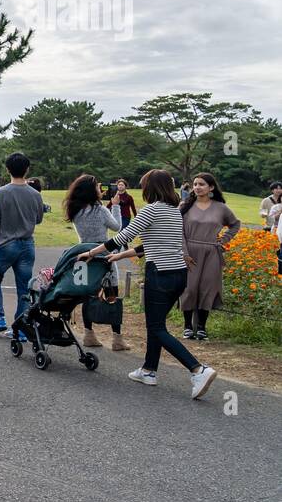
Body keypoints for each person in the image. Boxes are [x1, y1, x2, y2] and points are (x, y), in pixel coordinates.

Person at [82, 169, 217, 399]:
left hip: (160, 274)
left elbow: (120, 238)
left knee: (156, 327)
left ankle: (197, 369)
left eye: (144, 186)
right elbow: (148, 246)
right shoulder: (174, 212)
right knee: (157, 325)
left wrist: (91, 252)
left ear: (151, 188)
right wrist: (119, 257)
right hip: (178, 275)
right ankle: (148, 370)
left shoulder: (151, 210)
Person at [64, 173, 128, 352]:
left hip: (83, 253)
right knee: (112, 293)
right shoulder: (100, 210)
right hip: (104, 254)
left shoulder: (75, 209)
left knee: (88, 296)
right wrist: (115, 206)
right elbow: (117, 227)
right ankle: (117, 339)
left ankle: (88, 334)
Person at [0, 152, 44, 339]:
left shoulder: (0, 193)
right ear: (27, 170)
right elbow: (38, 219)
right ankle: (20, 328)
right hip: (27, 243)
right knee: (24, 288)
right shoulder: (35, 194)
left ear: (7, 169)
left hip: (6, 243)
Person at [180, 172, 241, 341]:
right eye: (195, 184)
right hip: (189, 252)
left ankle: (201, 328)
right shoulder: (185, 206)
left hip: (212, 253)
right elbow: (179, 232)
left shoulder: (220, 207)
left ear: (211, 187)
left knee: (207, 289)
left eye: (201, 184)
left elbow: (235, 224)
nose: (197, 187)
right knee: (189, 289)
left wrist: (224, 240)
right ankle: (187, 327)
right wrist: (184, 252)